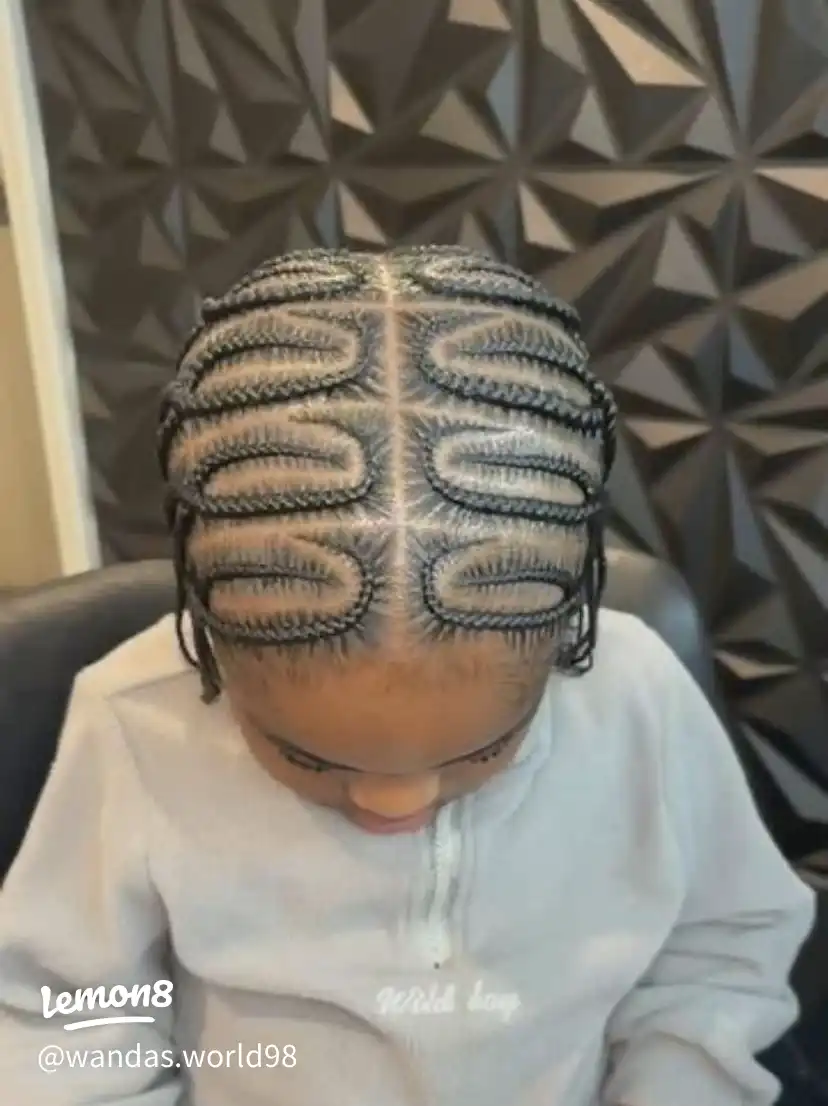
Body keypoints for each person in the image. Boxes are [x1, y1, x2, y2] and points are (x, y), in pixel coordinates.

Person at [0, 246, 815, 1106]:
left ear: (564, 632)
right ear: (210, 643)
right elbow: (68, 1014)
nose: (395, 804)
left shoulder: (636, 698)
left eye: (485, 748)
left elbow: (719, 950)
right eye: (312, 758)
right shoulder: (136, 719)